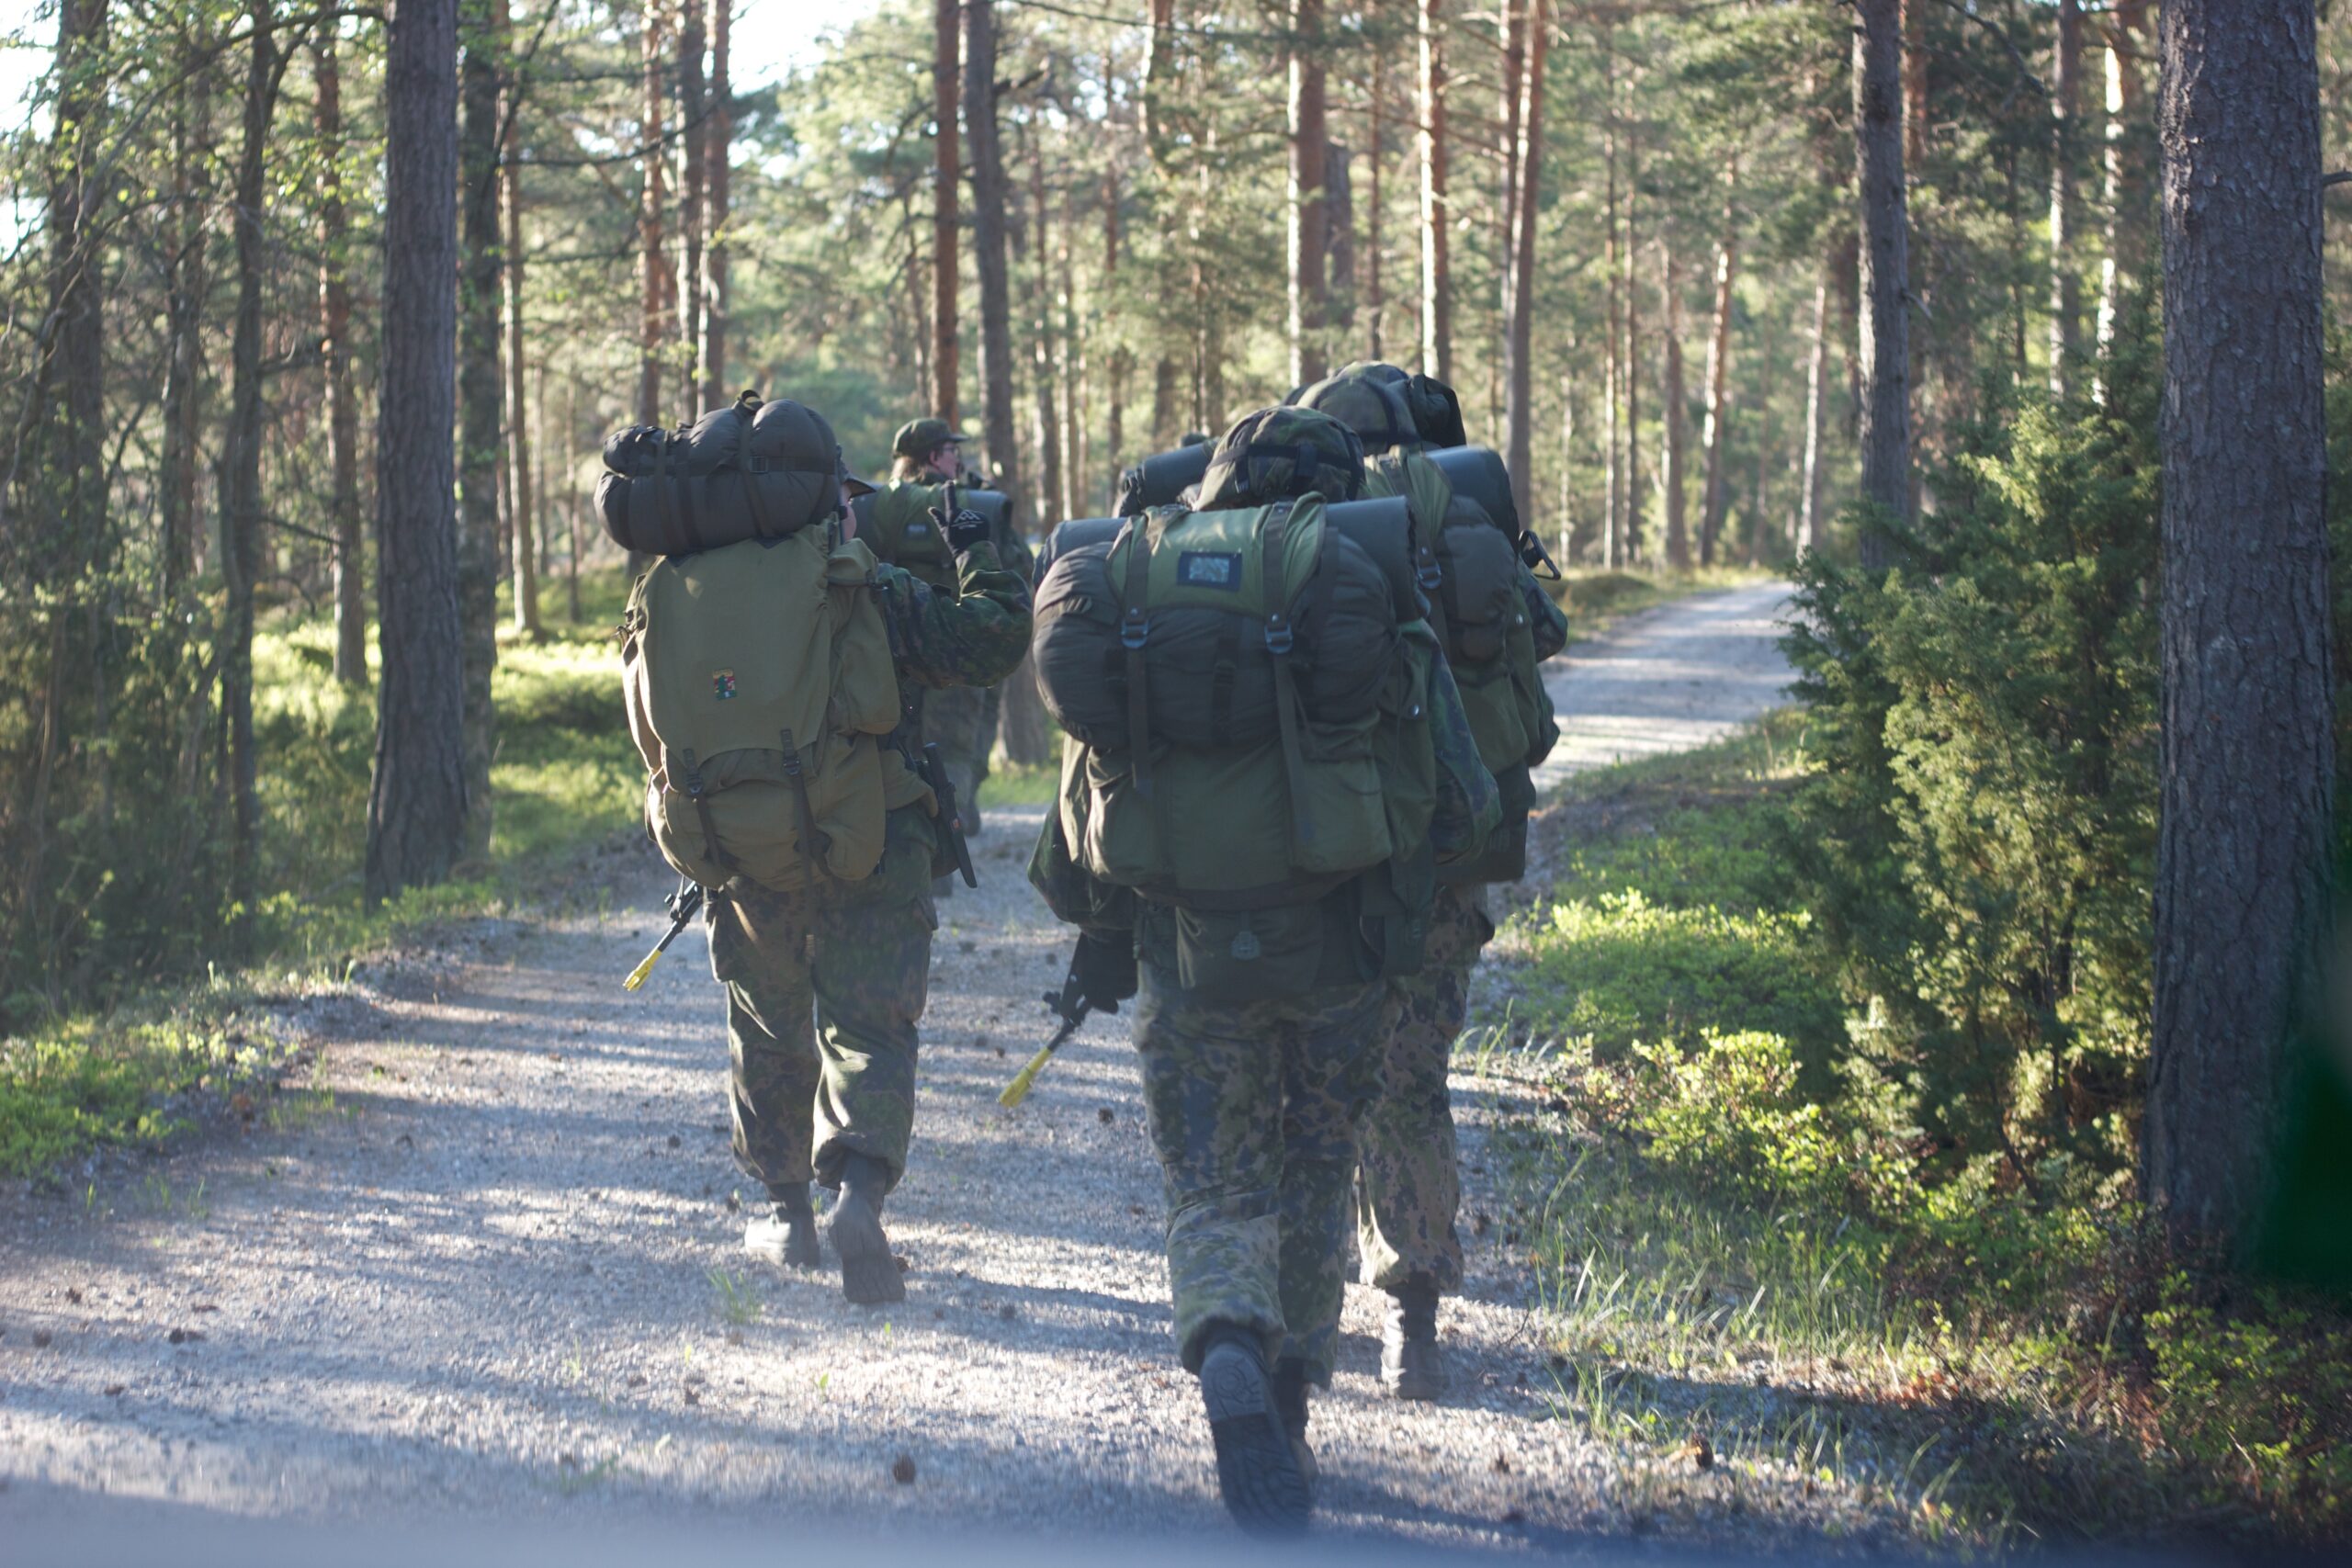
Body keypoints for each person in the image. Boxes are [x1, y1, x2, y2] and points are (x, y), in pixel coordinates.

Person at [1028, 406, 1499, 1535]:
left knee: (1214, 1182)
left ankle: (1227, 1336)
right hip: (1341, 957)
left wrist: (1107, 932)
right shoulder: (1364, 593)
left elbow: (1074, 836)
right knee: (1316, 1161)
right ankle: (1285, 1405)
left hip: (1187, 959)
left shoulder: (1140, 592)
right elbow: (1461, 801)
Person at [644, 432, 1034, 1307]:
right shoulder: (865, 586)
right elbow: (993, 640)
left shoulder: (679, 589)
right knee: (870, 1023)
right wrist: (976, 551)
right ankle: (857, 1192)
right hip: (872, 841)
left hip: (745, 850)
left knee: (767, 1021)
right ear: (830, 505)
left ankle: (787, 1213)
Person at [1287, 362, 1568, 1400]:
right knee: (1411, 1081)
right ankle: (1412, 1322)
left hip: (1329, 848)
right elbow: (1544, 635)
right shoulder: (1460, 511)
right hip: (1446, 851)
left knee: (1313, 1084)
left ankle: (1297, 1323)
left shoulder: (1293, 520)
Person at [869, 417, 1023, 891]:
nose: (959, 458)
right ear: (935, 457)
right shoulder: (970, 502)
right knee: (952, 751)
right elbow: (1017, 565)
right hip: (954, 642)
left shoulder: (876, 504)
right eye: (952, 451)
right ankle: (943, 861)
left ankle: (903, 855)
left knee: (898, 752)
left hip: (890, 651)